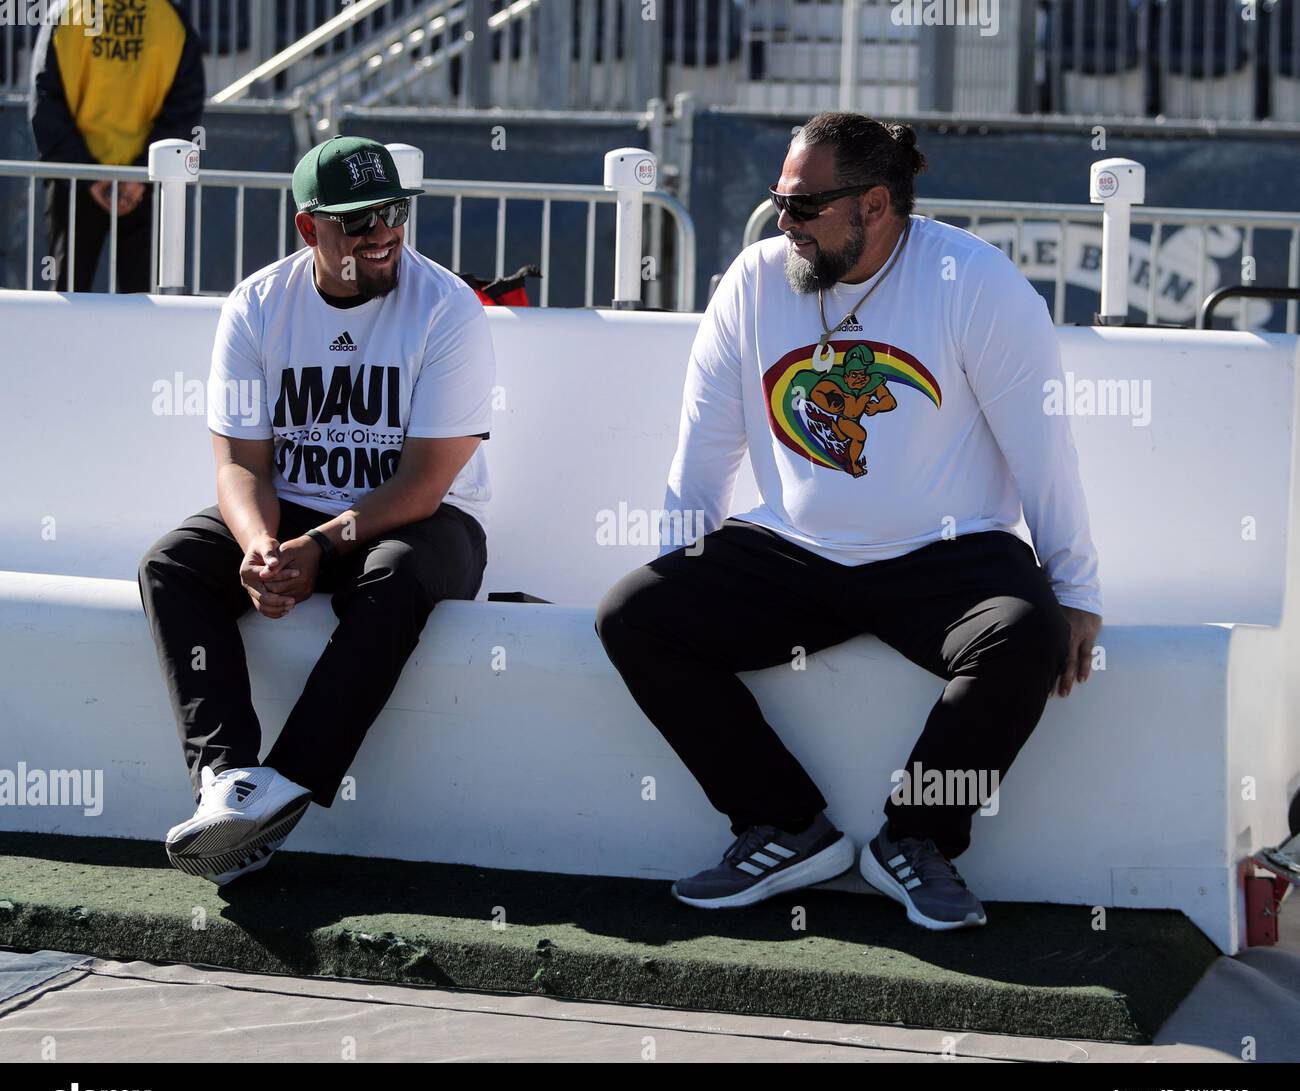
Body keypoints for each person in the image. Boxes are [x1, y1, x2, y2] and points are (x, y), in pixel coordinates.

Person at [596, 113, 1103, 931]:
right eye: (778, 202)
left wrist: (1076, 586)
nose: (783, 224)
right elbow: (700, 459)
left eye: (803, 207)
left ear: (874, 205)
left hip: (947, 553)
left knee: (1027, 630)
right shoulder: (754, 281)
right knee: (634, 612)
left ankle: (917, 839)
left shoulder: (973, 280)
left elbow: (1045, 448)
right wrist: (679, 578)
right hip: (792, 553)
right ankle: (787, 824)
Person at [138, 136, 495, 884]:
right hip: (298, 514)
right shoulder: (259, 304)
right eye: (358, 221)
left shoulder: (449, 308)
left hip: (423, 521)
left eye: (394, 211)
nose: (384, 233)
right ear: (309, 229)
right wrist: (261, 547)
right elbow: (239, 462)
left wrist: (322, 546)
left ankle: (281, 787)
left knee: (393, 577)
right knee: (171, 563)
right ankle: (225, 779)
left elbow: (426, 483)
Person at [30, 0, 205, 292]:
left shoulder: (66, 10)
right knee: (144, 304)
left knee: (66, 298)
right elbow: (184, 106)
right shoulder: (170, 18)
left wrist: (88, 175)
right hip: (139, 185)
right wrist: (139, 175)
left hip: (79, 182)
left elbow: (44, 101)